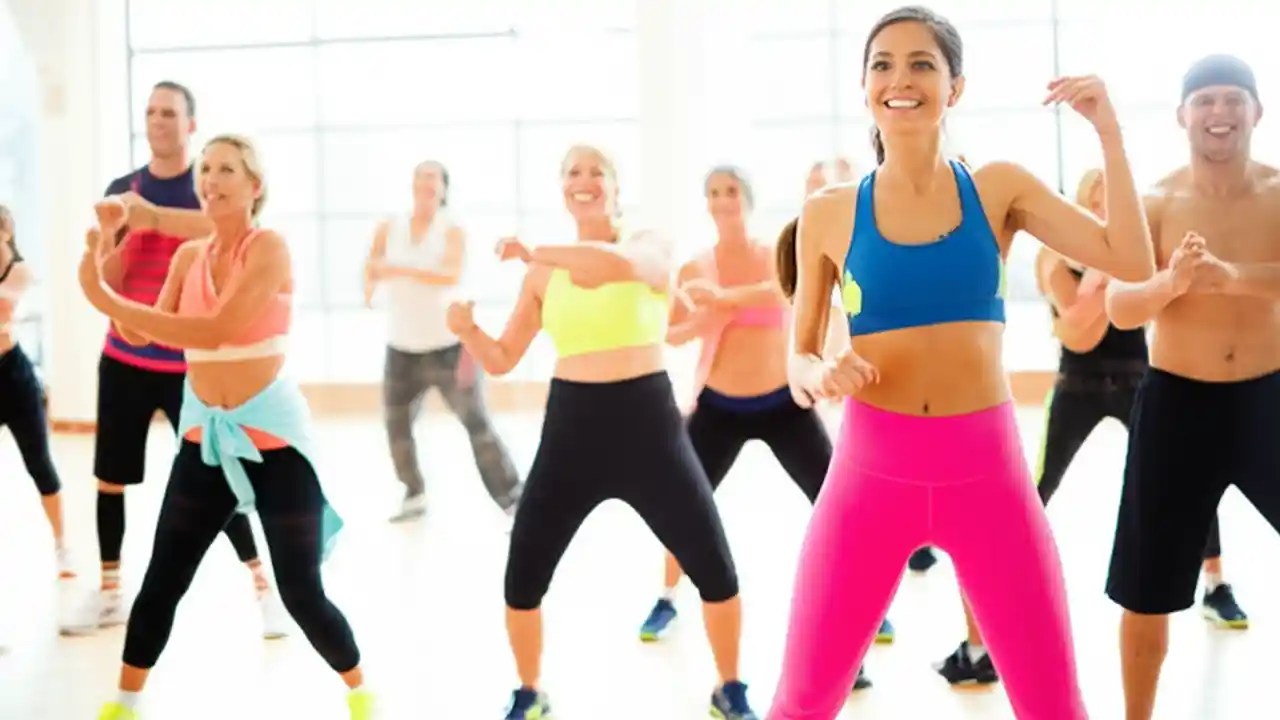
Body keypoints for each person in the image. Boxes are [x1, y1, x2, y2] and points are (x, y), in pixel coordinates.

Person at [767, 6, 1155, 719]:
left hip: (988, 479)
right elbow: (799, 360)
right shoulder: (829, 211)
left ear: (956, 87)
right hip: (868, 479)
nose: (901, 79)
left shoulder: (997, 188)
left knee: (1054, 706)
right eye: (883, 64)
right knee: (802, 702)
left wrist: (1108, 131)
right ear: (864, 86)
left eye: (922, 64)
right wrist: (821, 375)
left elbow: (1130, 259)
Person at [446, 144, 758, 720]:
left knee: (713, 563)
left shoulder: (648, 244)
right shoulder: (543, 273)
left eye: (597, 172)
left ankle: (730, 687)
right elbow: (503, 357)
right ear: (561, 186)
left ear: (616, 187)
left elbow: (620, 268)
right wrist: (468, 330)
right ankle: (529, 692)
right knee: (523, 571)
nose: (584, 180)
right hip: (572, 428)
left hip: (649, 427)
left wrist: (535, 249)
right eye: (573, 172)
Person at [79, 134, 374, 720]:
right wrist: (102, 254)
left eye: (226, 170)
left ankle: (362, 695)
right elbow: (141, 332)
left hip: (274, 444)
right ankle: (123, 704)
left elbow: (217, 329)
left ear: (254, 186)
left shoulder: (270, 249)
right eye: (206, 169)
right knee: (163, 581)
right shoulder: (189, 257)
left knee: (301, 592)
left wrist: (104, 298)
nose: (210, 179)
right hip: (204, 442)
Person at [934, 168, 1250, 689]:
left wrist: (1135, 280)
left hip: (1137, 378)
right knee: (1035, 487)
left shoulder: (1139, 250)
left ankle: (1215, 584)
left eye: (1112, 198)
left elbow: (1149, 308)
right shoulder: (1054, 258)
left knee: (1189, 477)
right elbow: (1078, 331)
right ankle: (995, 608)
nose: (1105, 206)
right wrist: (1108, 279)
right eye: (1095, 198)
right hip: (1076, 385)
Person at [639, 167, 879, 692]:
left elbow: (784, 293)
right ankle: (667, 597)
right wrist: (702, 320)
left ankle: (869, 606)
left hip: (783, 404)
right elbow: (673, 332)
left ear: (748, 199)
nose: (723, 200)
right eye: (714, 192)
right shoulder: (695, 267)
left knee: (836, 500)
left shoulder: (775, 253)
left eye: (731, 191)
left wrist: (724, 300)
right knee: (681, 505)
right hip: (718, 407)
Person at [60, 81, 285, 639]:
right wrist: (108, 243)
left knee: (221, 477)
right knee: (110, 478)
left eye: (169, 112)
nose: (157, 120)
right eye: (150, 112)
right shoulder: (124, 192)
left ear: (191, 124)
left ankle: (265, 588)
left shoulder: (209, 188)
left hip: (192, 363)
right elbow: (111, 282)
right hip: (127, 357)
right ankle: (110, 591)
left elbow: (223, 230)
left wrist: (155, 218)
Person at [1103, 54, 1280, 720]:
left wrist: (1231, 275)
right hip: (1177, 404)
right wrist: (1170, 283)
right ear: (1182, 115)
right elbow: (1120, 307)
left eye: (1233, 98)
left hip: (1267, 397)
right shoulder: (1156, 201)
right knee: (1145, 588)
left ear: (1257, 111)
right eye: (1205, 100)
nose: (1219, 112)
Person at [364, 159, 522, 523]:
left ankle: (513, 497)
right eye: (421, 178)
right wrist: (370, 287)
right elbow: (372, 266)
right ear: (412, 185)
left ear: (444, 189)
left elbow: (449, 274)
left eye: (433, 180)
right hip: (401, 346)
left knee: (477, 423)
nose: (426, 185)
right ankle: (413, 493)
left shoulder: (452, 230)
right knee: (397, 426)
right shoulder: (389, 227)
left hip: (449, 348)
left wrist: (396, 270)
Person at [0, 204, 74, 578]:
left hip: (13, 378)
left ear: (7, 233)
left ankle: (62, 546)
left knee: (40, 464)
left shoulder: (20, 271)